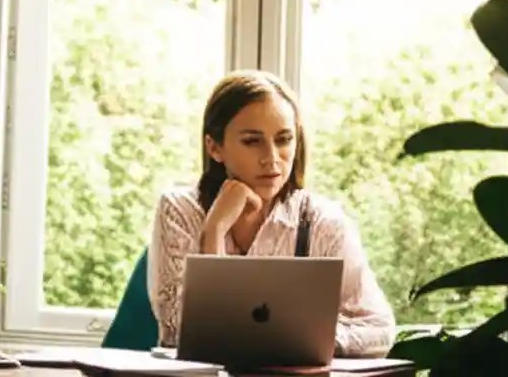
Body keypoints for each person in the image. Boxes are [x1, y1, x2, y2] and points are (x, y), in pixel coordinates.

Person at [146, 70, 396, 358]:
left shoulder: (323, 222)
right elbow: (179, 332)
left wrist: (306, 336)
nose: (272, 157)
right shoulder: (179, 209)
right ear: (214, 147)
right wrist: (213, 229)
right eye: (252, 141)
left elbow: (379, 329)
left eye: (284, 139)